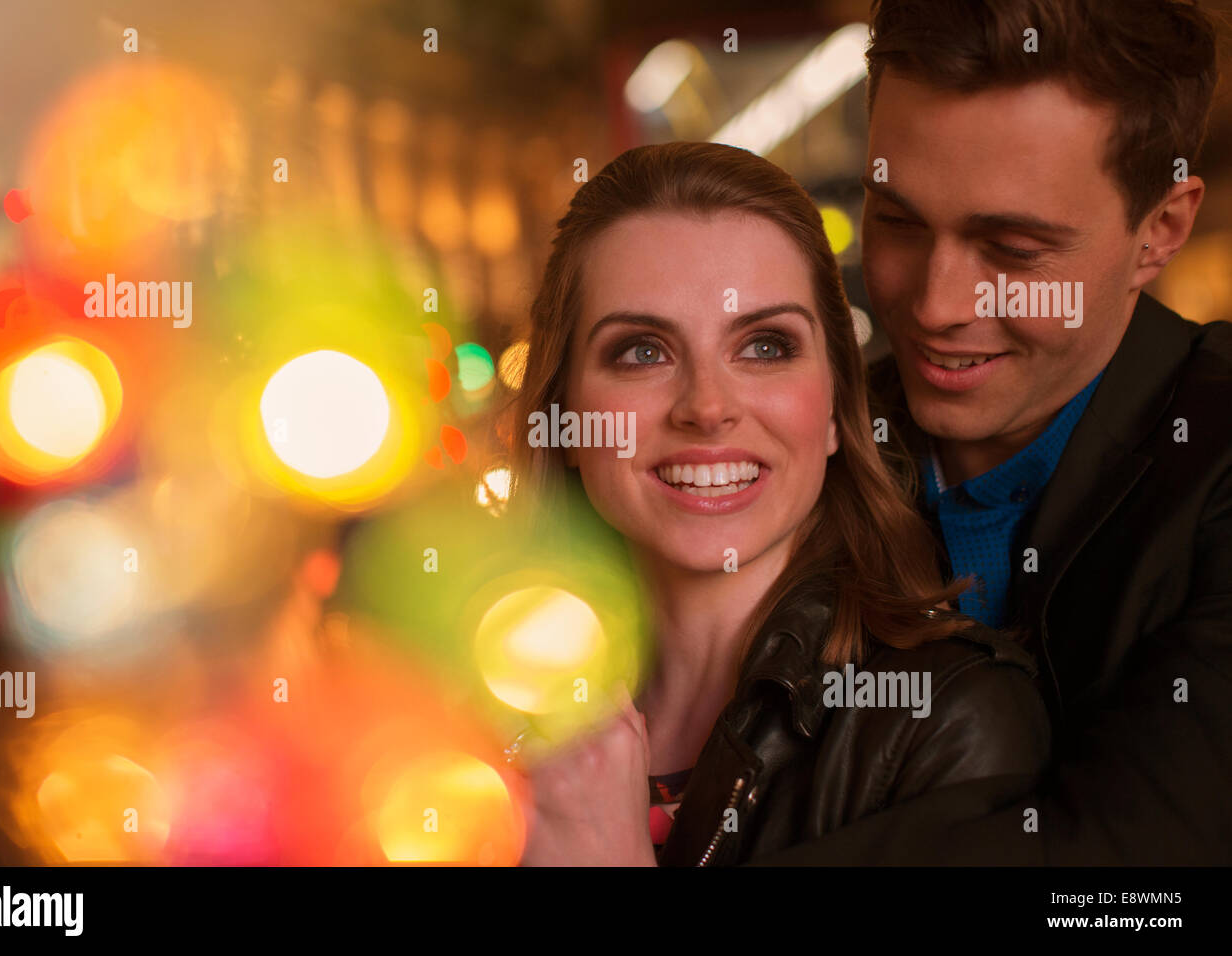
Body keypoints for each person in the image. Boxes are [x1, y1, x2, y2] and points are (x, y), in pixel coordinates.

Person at [751, 0, 1232, 865]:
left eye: (1011, 250)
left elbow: (1143, 881)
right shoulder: (784, 454)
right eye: (896, 220)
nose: (934, 307)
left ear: (1160, 229)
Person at [508, 141, 1049, 866]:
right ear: (565, 415)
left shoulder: (952, 719)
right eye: (642, 351)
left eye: (764, 346)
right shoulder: (480, 694)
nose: (707, 408)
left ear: (833, 407)